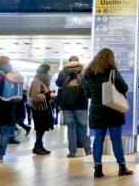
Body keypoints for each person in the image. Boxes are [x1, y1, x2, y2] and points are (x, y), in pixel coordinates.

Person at [84, 48, 133, 178]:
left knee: (98, 139)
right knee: (116, 139)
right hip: (113, 110)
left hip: (96, 111)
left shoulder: (88, 73)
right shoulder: (112, 72)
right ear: (110, 59)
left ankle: (98, 170)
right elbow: (124, 87)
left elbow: (87, 93)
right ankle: (122, 167)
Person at [57, 56, 91, 157]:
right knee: (84, 127)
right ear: (78, 62)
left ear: (69, 62)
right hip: (81, 104)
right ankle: (88, 150)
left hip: (67, 105)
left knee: (71, 128)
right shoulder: (83, 72)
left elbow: (58, 84)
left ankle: (72, 152)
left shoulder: (63, 72)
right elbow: (88, 86)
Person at [28, 64, 55, 155]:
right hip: (39, 109)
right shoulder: (37, 81)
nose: (50, 73)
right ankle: (37, 146)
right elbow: (35, 96)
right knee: (40, 128)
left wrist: (48, 94)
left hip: (44, 108)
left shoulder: (43, 81)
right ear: (45, 72)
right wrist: (46, 95)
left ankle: (39, 145)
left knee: (42, 128)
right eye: (49, 71)